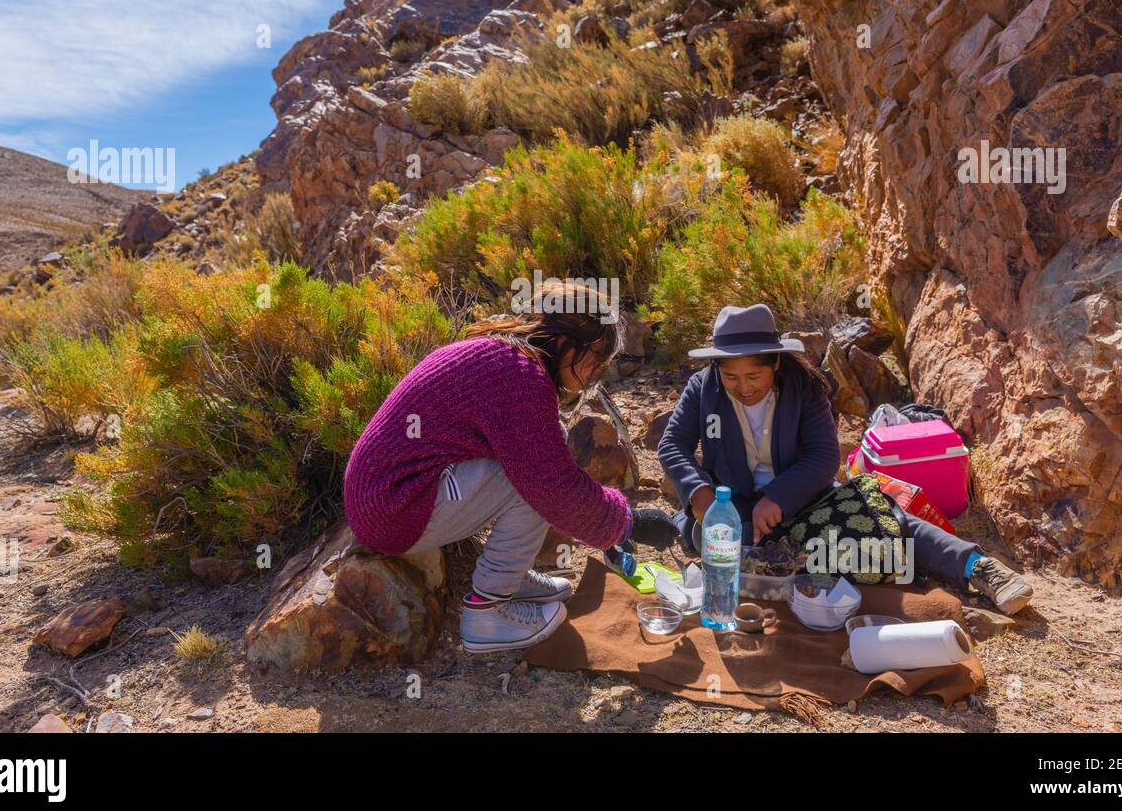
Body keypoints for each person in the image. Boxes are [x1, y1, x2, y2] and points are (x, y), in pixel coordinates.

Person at [343, 280, 680, 653]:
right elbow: (552, 485)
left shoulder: (508, 360)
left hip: (387, 499)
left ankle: (508, 578)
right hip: (394, 510)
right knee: (530, 477)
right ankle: (487, 614)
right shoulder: (520, 377)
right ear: (566, 342)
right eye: (595, 360)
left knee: (532, 461)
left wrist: (610, 528)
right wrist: (627, 522)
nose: (595, 374)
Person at [657, 303, 1034, 615]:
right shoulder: (702, 389)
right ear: (717, 370)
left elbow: (823, 457)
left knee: (886, 523)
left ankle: (978, 567)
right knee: (720, 542)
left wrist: (778, 497)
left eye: (753, 376)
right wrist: (700, 495)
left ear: (775, 364)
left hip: (805, 499)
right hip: (733, 505)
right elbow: (672, 444)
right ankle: (764, 551)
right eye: (732, 378)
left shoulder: (805, 390)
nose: (744, 388)